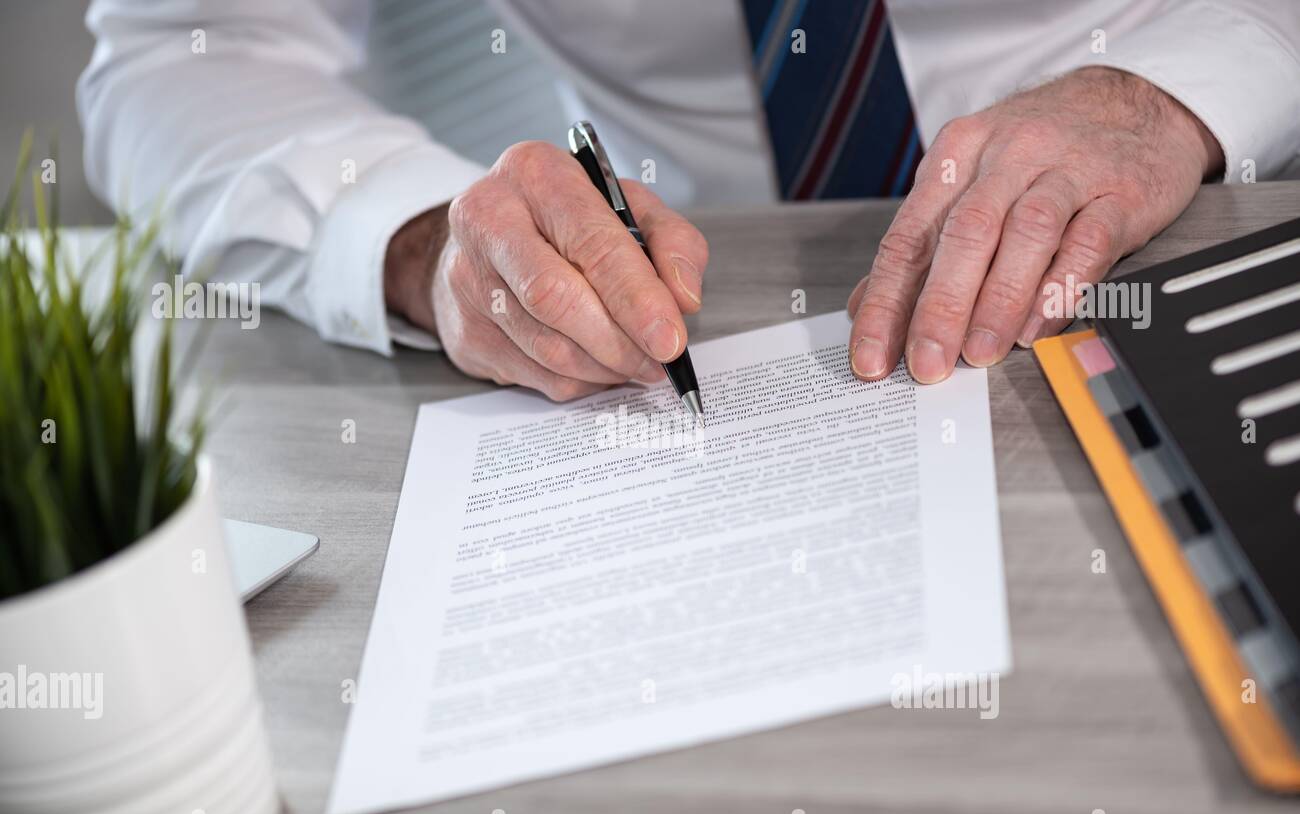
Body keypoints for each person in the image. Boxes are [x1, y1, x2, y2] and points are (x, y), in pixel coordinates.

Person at [79, 0, 1300, 397]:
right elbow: (185, 49)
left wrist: (1168, 95)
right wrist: (408, 239)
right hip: (724, 281)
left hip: (1197, 193)